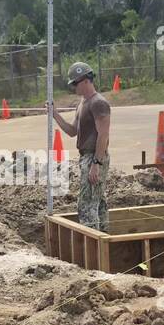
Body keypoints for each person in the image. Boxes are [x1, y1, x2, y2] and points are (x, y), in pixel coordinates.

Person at [48, 62, 111, 230]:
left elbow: (103, 135)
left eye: (75, 83)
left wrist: (96, 164)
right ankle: (103, 239)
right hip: (87, 156)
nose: (73, 87)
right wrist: (55, 115)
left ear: (85, 80)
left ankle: (94, 244)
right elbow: (72, 131)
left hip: (94, 156)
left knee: (87, 204)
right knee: (98, 201)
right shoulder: (83, 103)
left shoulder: (98, 103)